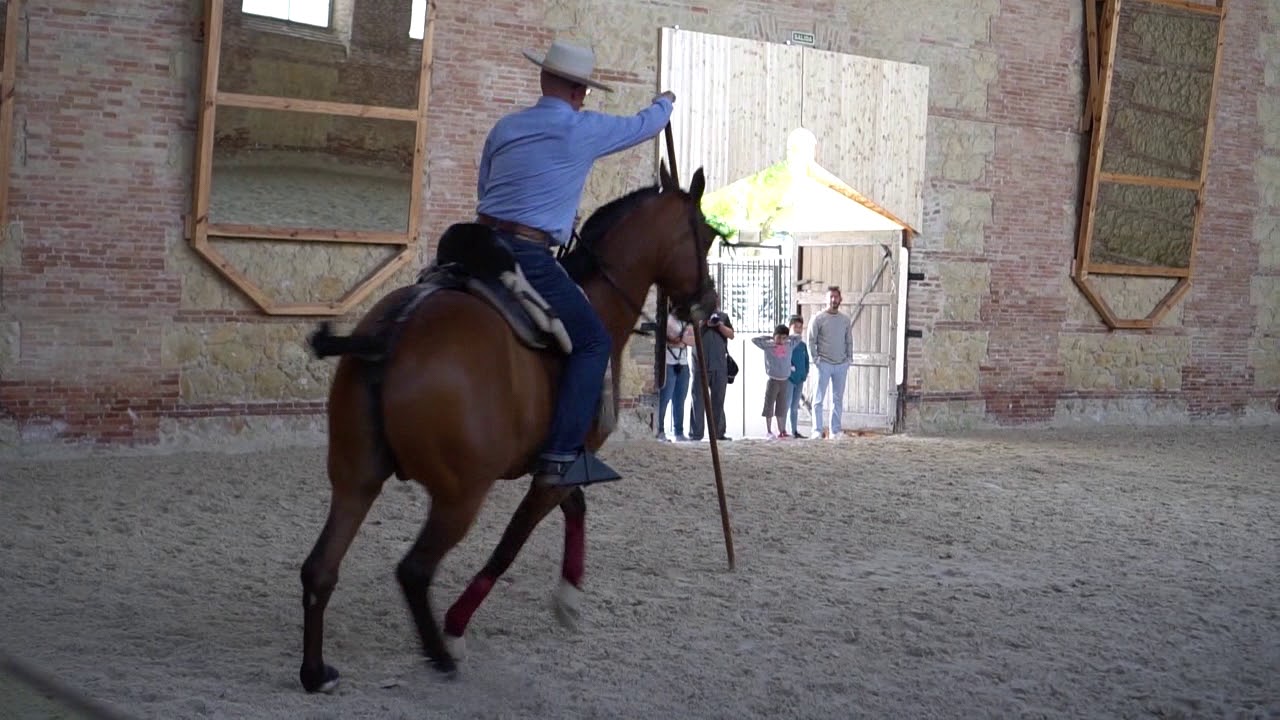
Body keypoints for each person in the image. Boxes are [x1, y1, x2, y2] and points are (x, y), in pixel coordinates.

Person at [475, 39, 676, 486]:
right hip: (527, 255)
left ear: (543, 78)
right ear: (579, 91)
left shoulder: (505, 127)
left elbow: (485, 190)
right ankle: (561, 455)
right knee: (593, 342)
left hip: (475, 244)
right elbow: (643, 126)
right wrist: (665, 104)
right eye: (583, 91)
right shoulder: (583, 128)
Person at [807, 286, 852, 439]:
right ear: (826, 299)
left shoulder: (845, 320)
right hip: (824, 364)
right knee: (818, 399)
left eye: (836, 297)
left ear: (840, 299)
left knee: (837, 400)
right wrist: (815, 359)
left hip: (841, 364)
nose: (833, 300)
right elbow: (811, 340)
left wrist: (849, 359)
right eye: (831, 297)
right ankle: (817, 430)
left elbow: (848, 340)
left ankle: (835, 431)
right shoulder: (818, 319)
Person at [688, 309, 735, 441]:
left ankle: (718, 433)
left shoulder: (723, 317)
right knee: (698, 400)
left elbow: (731, 335)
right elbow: (690, 334)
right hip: (700, 365)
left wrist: (719, 325)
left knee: (718, 400)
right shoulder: (696, 316)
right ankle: (696, 434)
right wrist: (703, 323)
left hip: (719, 365)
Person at [751, 324, 800, 439]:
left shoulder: (789, 345)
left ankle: (782, 430)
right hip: (773, 380)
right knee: (769, 406)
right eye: (778, 337)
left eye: (784, 338)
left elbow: (798, 337)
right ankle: (768, 431)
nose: (781, 341)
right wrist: (770, 338)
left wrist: (788, 338)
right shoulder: (768, 346)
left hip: (785, 380)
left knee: (781, 408)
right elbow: (754, 340)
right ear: (774, 337)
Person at [656, 312, 693, 442]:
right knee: (665, 399)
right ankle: (660, 431)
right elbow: (667, 338)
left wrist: (680, 339)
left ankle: (679, 432)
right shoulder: (668, 319)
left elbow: (693, 341)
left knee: (680, 400)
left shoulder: (686, 321)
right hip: (668, 363)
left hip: (683, 364)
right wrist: (683, 339)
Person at [785, 314, 810, 438]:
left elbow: (806, 361)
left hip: (800, 379)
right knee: (786, 405)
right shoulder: (786, 344)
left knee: (795, 406)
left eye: (800, 327)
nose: (798, 330)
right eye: (795, 327)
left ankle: (794, 431)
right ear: (790, 327)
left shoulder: (802, 345)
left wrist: (805, 374)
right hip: (789, 379)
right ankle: (783, 430)